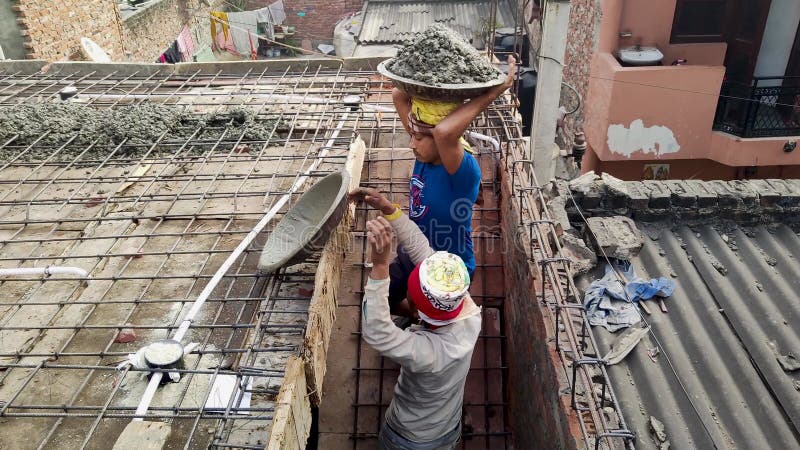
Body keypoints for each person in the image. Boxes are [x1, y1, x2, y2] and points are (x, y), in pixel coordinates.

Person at [388, 56, 516, 317]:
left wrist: (496, 90)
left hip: (446, 264)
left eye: (421, 137)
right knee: (387, 299)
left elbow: (445, 131)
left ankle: (429, 324)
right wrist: (426, 70)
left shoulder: (462, 171)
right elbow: (398, 94)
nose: (412, 144)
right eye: (413, 135)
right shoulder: (425, 153)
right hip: (413, 249)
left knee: (423, 305)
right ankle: (419, 317)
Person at [358, 198, 482, 450]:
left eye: (409, 298)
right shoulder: (466, 307)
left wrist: (381, 266)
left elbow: (377, 331)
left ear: (416, 310)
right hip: (447, 426)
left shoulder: (431, 353)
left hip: (411, 438)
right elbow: (421, 248)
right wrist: (389, 209)